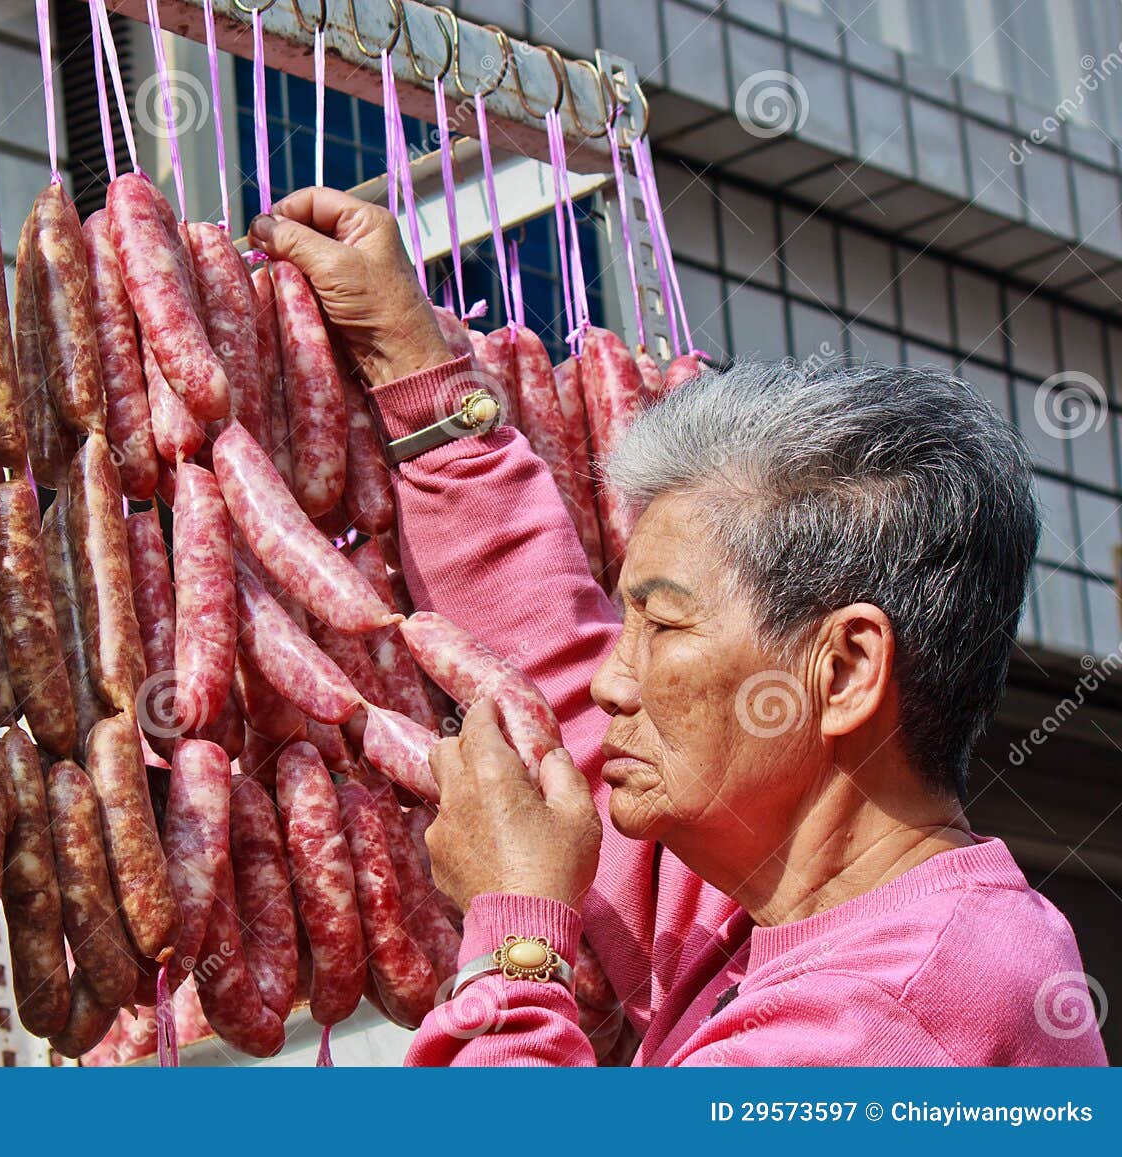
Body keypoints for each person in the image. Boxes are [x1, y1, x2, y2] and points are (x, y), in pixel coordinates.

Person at [246, 188, 1108, 1066]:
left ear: (844, 670)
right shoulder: (766, 894)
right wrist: (415, 370)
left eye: (663, 627)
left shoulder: (891, 1009)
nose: (614, 681)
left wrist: (516, 937)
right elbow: (553, 669)